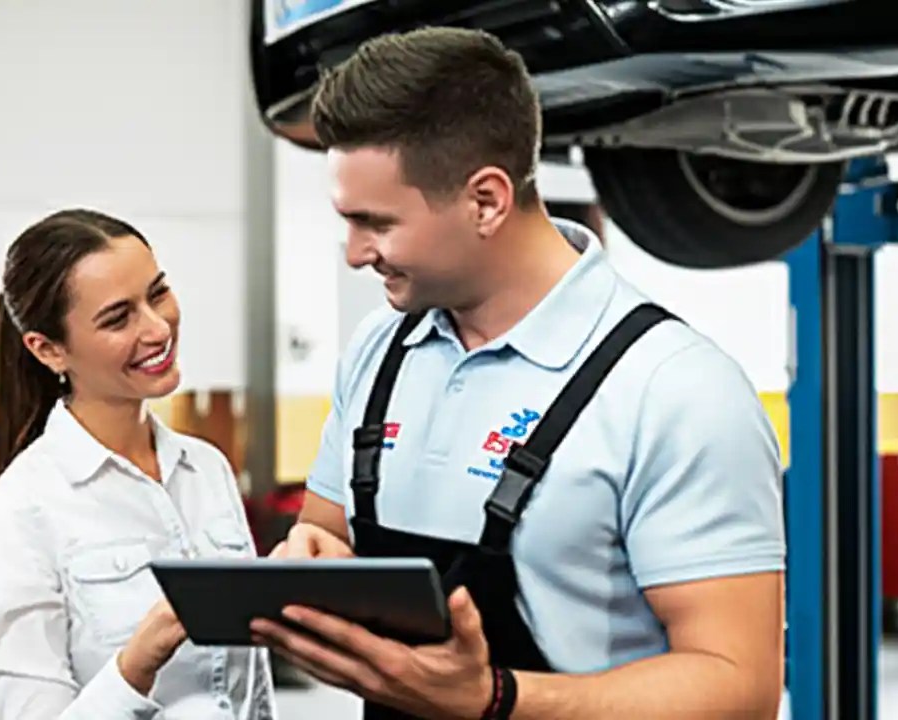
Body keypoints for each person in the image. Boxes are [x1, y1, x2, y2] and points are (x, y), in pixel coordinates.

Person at [251, 27, 786, 720]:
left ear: (486, 201)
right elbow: (331, 537)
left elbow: (737, 689)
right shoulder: (380, 350)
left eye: (374, 222)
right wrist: (310, 566)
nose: (355, 253)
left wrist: (495, 699)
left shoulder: (675, 389)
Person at [0, 209, 277, 719]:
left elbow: (252, 696)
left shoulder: (206, 469)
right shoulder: (18, 511)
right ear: (48, 350)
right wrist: (139, 659)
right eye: (117, 317)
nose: (157, 328)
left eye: (157, 293)